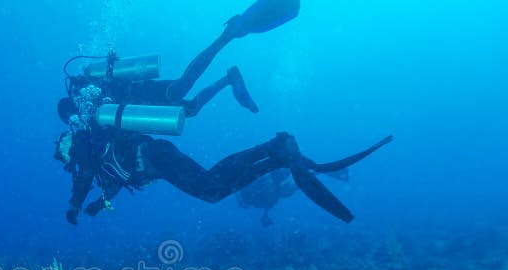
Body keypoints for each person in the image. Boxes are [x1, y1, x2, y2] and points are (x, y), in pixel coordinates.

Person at [54, 127, 392, 225]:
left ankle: (271, 146)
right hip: (156, 161)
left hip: (155, 156)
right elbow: (109, 178)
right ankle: (276, 158)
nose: (66, 160)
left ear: (67, 143)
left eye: (63, 154)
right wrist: (100, 203)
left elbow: (82, 175)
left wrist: (74, 206)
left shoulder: (83, 143)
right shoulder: (96, 157)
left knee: (210, 184)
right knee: (213, 191)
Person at [60, 0, 301, 120]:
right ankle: (229, 78)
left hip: (146, 94)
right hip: (146, 107)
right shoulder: (92, 106)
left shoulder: (90, 92)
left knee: (179, 89)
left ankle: (226, 37)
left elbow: (115, 79)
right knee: (192, 110)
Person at [237, 167, 350, 226]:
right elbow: (267, 201)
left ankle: (330, 171)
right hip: (272, 192)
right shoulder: (258, 195)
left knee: (292, 180)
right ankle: (331, 172)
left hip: (271, 189)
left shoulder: (254, 191)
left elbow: (265, 191)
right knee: (295, 183)